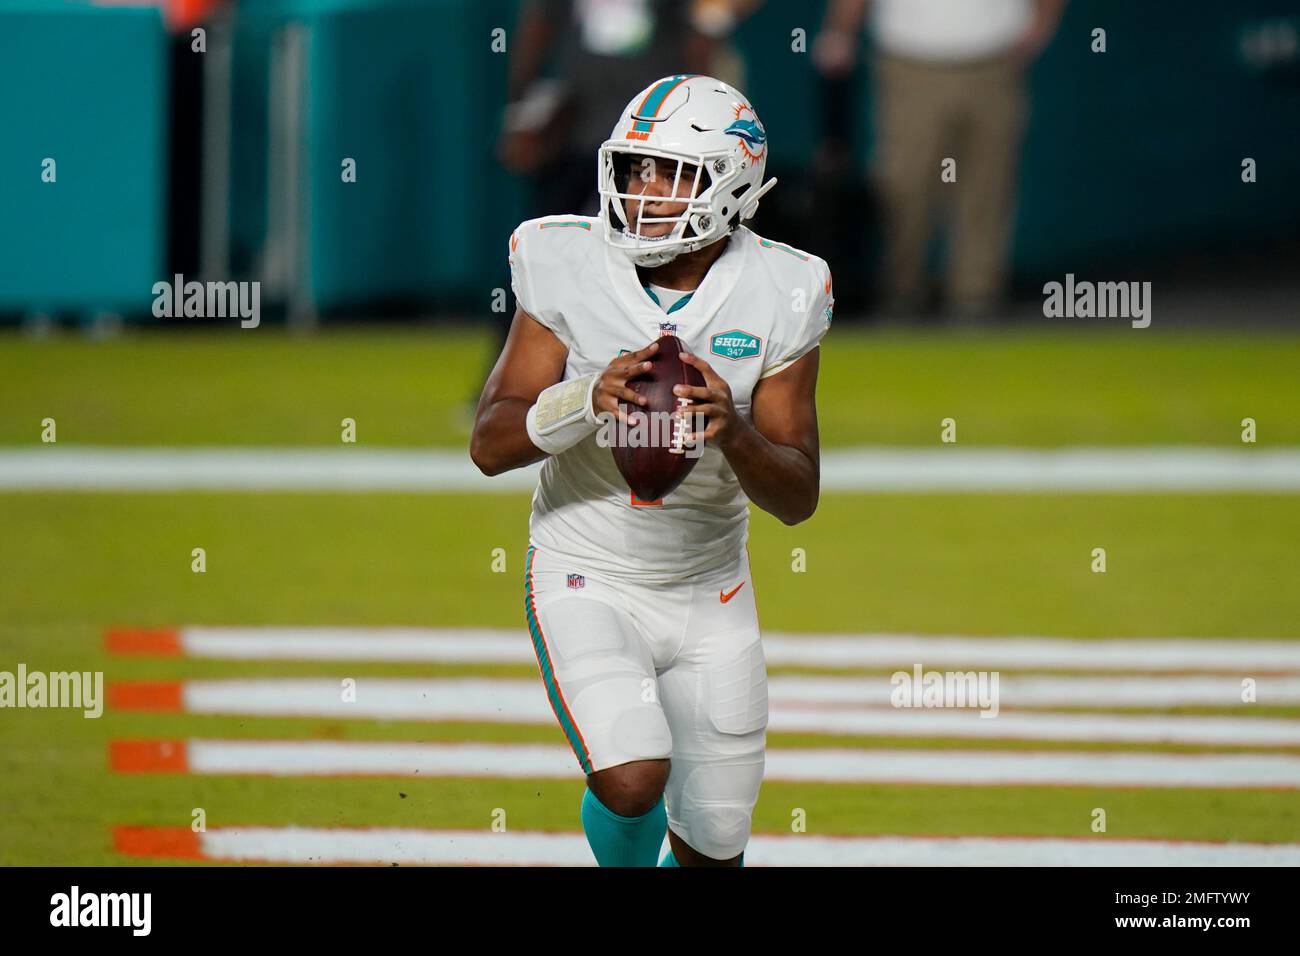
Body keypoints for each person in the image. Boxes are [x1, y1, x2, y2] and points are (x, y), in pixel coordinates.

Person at [470, 75, 832, 867]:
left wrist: (732, 431)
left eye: (673, 173)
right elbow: (491, 444)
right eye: (636, 169)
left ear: (731, 186)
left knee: (715, 839)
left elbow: (798, 494)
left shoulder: (784, 288)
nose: (645, 191)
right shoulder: (564, 257)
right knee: (633, 777)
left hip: (712, 588)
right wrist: (581, 401)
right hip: (585, 569)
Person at [816, 0, 1066, 321]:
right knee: (904, 180)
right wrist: (840, 30)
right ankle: (901, 295)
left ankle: (976, 300)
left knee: (987, 183)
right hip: (909, 58)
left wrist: (1040, 26)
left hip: (995, 59)